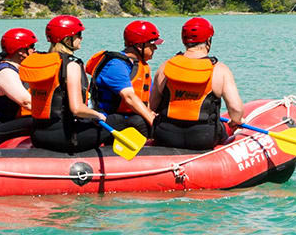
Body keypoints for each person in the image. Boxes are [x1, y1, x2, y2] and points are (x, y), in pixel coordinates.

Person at [150, 17, 245, 151]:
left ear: (184, 40)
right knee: (224, 128)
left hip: (166, 135)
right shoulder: (219, 70)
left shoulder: (165, 67)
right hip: (203, 138)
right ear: (208, 41)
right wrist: (236, 121)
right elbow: (236, 109)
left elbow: (152, 106)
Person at [23, 14, 113, 153]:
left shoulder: (42, 61)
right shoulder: (71, 65)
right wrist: (97, 115)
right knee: (114, 123)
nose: (81, 38)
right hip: (64, 137)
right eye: (78, 34)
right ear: (67, 39)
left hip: (37, 135)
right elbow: (77, 109)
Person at [86, 20, 162, 139]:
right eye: (152, 44)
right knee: (140, 122)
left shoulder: (140, 65)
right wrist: (152, 120)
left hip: (128, 117)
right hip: (107, 119)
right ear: (139, 45)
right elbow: (129, 97)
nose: (155, 48)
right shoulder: (116, 65)